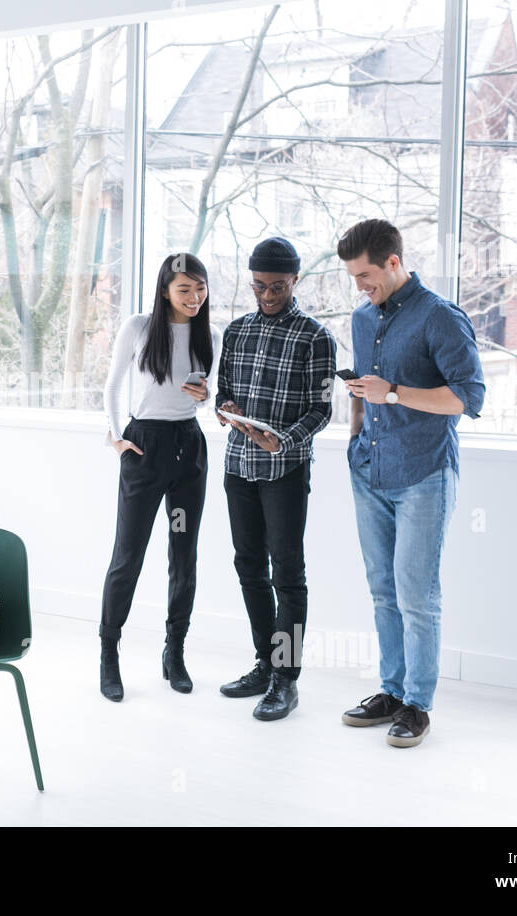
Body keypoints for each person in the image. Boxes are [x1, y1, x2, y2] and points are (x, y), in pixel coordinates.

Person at [336, 218, 484, 748]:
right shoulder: (360, 318)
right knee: (383, 592)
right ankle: (392, 691)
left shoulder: (440, 318)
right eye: (353, 277)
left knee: (416, 597)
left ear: (394, 263)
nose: (360, 286)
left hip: (423, 473)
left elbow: (467, 399)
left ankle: (418, 706)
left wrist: (394, 392)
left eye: (367, 275)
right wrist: (354, 442)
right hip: (369, 471)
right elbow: (363, 390)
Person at [215, 237, 335, 721]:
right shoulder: (236, 332)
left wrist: (283, 440)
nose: (267, 295)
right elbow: (225, 390)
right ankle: (264, 664)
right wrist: (227, 408)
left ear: (296, 281)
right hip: (238, 466)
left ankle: (286, 679)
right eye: (259, 286)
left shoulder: (316, 337)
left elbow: (322, 409)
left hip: (284, 469)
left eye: (277, 287)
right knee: (248, 568)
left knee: (287, 574)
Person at [98, 252, 222, 701]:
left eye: (200, 288)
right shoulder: (138, 327)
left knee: (183, 556)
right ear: (165, 289)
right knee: (127, 555)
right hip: (144, 447)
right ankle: (109, 652)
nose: (194, 297)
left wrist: (206, 394)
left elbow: (209, 396)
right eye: (184, 288)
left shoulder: (211, 333)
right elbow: (113, 385)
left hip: (188, 448)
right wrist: (116, 438)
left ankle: (175, 652)